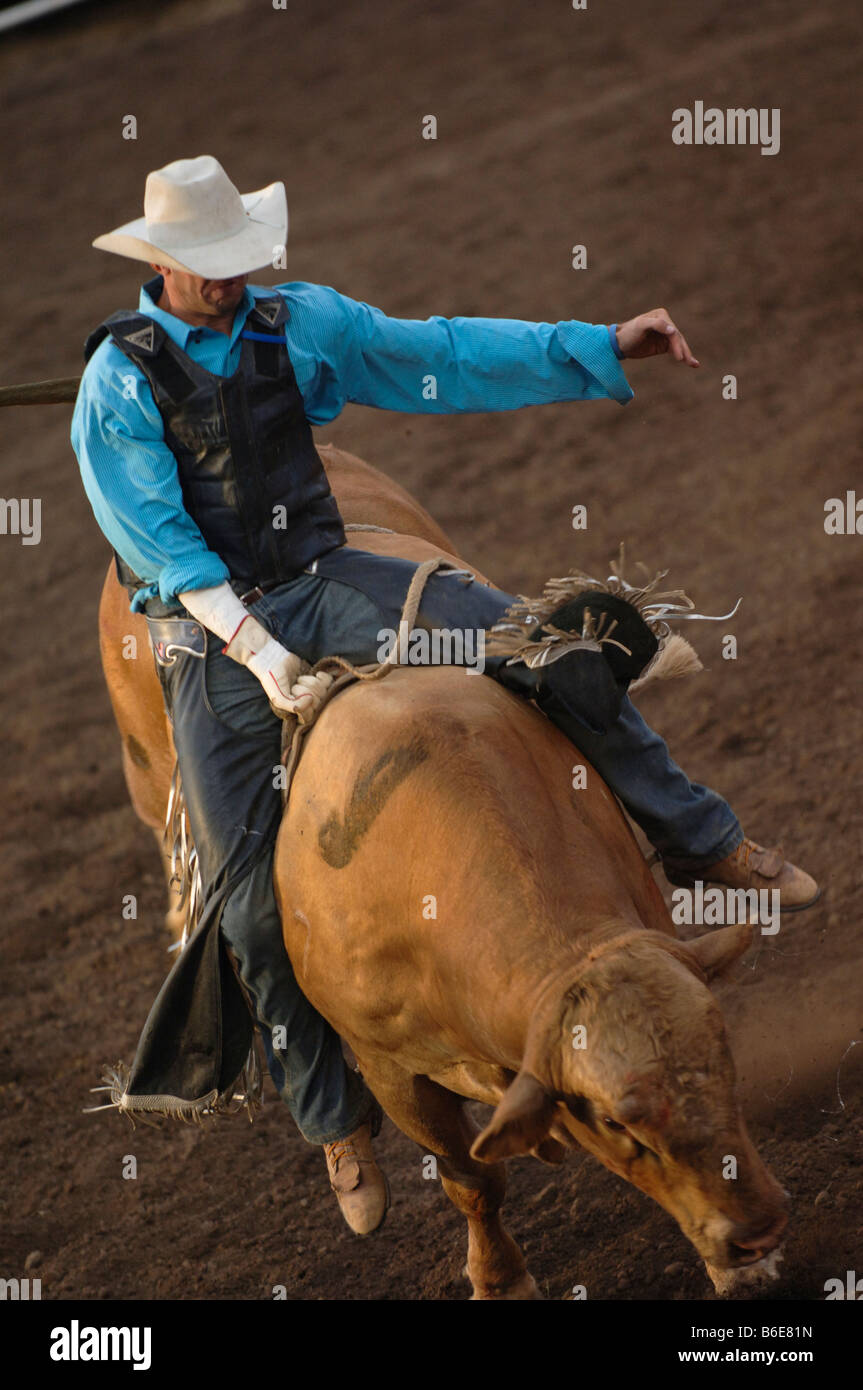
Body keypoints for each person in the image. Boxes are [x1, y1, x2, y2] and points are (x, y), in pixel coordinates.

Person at [71, 155, 818, 1238]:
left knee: (554, 651)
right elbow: (164, 547)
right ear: (155, 264)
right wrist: (259, 654)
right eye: (206, 271)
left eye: (237, 264)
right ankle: (334, 1119)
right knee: (246, 908)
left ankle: (707, 839)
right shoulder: (119, 387)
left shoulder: (297, 323)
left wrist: (597, 346)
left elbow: (436, 354)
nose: (229, 284)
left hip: (326, 577)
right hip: (207, 634)